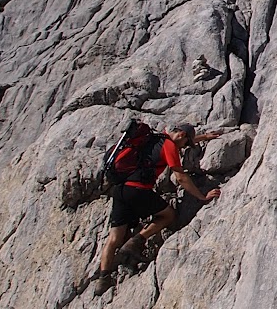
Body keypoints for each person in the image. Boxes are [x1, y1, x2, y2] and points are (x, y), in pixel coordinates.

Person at [94, 122, 224, 292]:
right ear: (181, 135)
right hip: (138, 190)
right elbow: (180, 177)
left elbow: (179, 141)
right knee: (168, 215)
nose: (184, 147)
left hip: (120, 190)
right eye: (186, 143)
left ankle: (103, 280)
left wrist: (204, 137)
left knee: (113, 238)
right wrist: (202, 197)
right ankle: (136, 241)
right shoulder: (170, 146)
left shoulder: (153, 137)